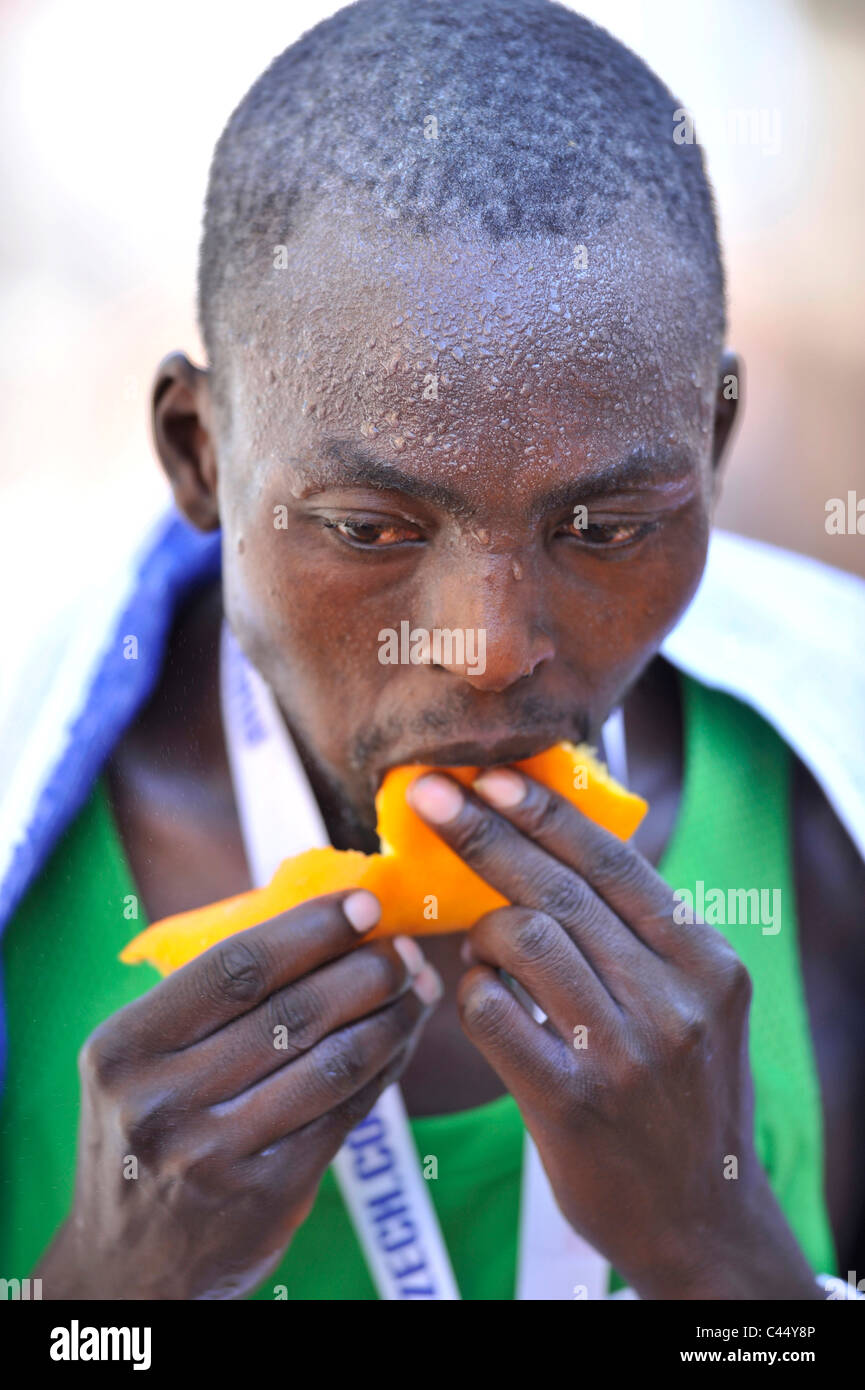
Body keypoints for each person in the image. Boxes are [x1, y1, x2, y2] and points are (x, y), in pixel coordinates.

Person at [1, 0, 864, 1301]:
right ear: (198, 454)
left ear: (713, 443)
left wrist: (712, 1248)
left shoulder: (821, 816)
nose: (491, 647)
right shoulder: (39, 867)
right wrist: (103, 1300)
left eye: (605, 525)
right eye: (369, 526)